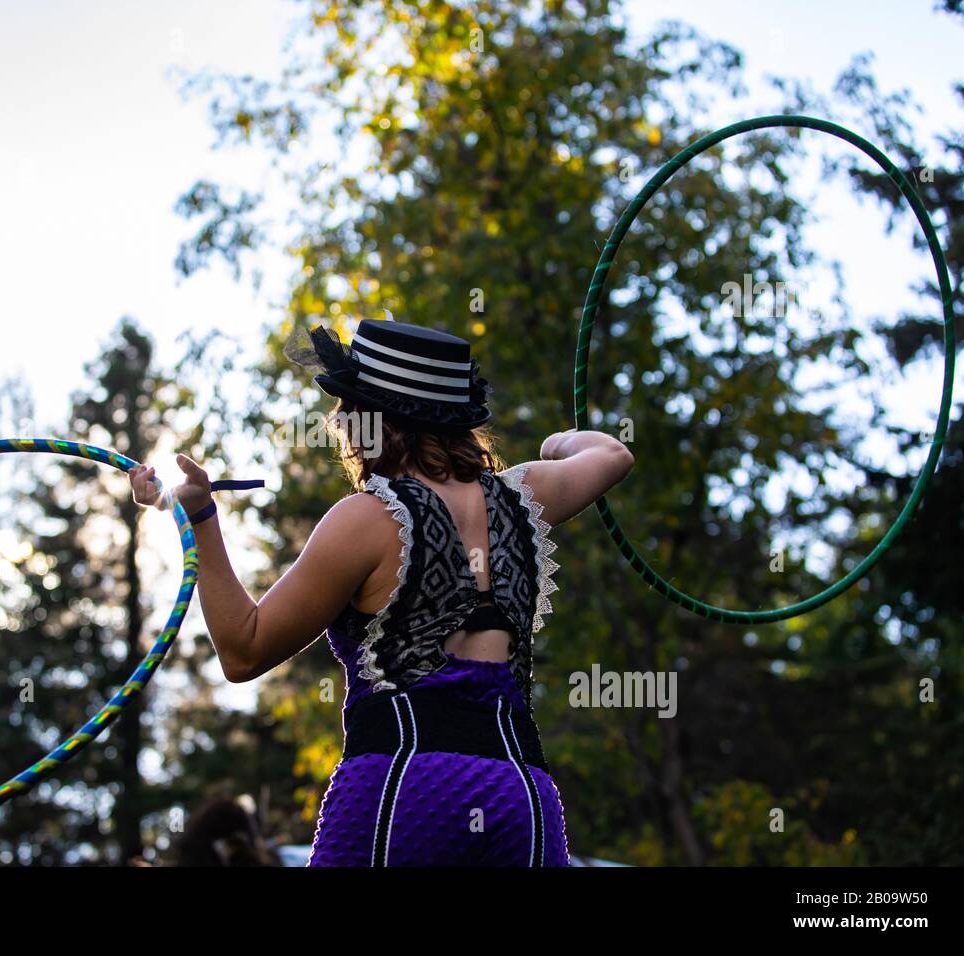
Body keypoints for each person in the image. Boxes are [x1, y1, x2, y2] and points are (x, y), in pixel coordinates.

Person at [130, 314, 634, 866]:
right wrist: (558, 441)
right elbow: (612, 455)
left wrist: (201, 516)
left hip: (407, 789)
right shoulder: (526, 497)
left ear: (375, 419)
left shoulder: (366, 520)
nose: (339, 422)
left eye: (347, 407)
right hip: (521, 798)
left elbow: (244, 649)